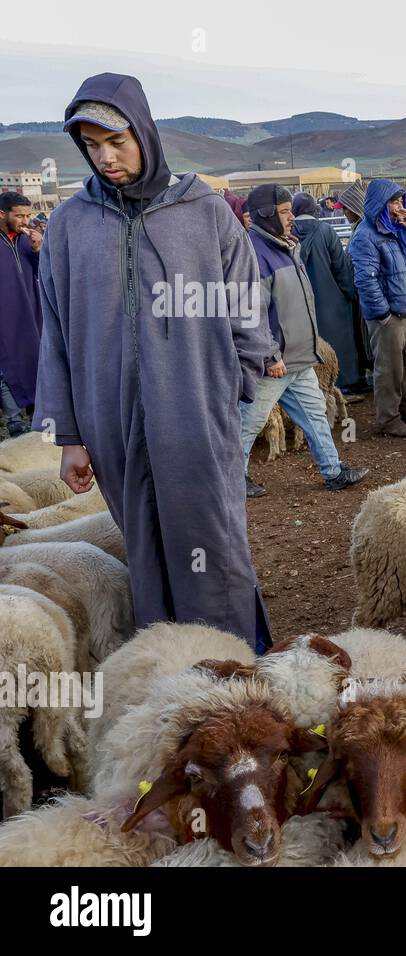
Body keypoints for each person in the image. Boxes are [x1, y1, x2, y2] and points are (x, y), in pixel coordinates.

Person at [36, 73, 274, 649]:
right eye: (91, 145)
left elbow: (247, 303)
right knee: (142, 543)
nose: (105, 157)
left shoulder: (204, 211)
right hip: (110, 420)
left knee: (212, 542)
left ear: (143, 132)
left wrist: (230, 385)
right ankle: (169, 670)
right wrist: (69, 434)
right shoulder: (71, 225)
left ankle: (237, 664)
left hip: (194, 413)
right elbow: (57, 336)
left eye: (116, 140)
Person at [239, 185, 368, 497]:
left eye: (289, 210)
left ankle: (334, 471)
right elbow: (249, 312)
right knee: (249, 423)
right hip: (276, 363)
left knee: (315, 415)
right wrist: (270, 355)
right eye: (284, 212)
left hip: (299, 357)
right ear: (265, 215)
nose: (290, 217)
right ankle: (231, 479)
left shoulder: (286, 246)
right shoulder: (254, 255)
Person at [349, 178, 406, 437]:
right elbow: (365, 278)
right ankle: (388, 418)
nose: (399, 207)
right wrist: (383, 314)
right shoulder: (366, 235)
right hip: (389, 315)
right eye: (393, 202)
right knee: (389, 368)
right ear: (380, 203)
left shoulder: (398, 229)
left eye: (400, 201)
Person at [291, 192, 368, 394]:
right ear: (315, 209)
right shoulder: (326, 231)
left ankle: (313, 386)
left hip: (298, 300)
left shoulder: (288, 232)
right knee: (339, 343)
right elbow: (340, 267)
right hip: (331, 299)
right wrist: (349, 292)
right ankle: (345, 381)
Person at [0, 191, 41, 437]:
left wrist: (39, 249)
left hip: (30, 315)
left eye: (27, 215)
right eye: (19, 215)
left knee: (33, 362)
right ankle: (14, 421)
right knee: (4, 367)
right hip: (4, 317)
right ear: (2, 214)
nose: (25, 220)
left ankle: (38, 417)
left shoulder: (27, 241)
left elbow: (43, 272)